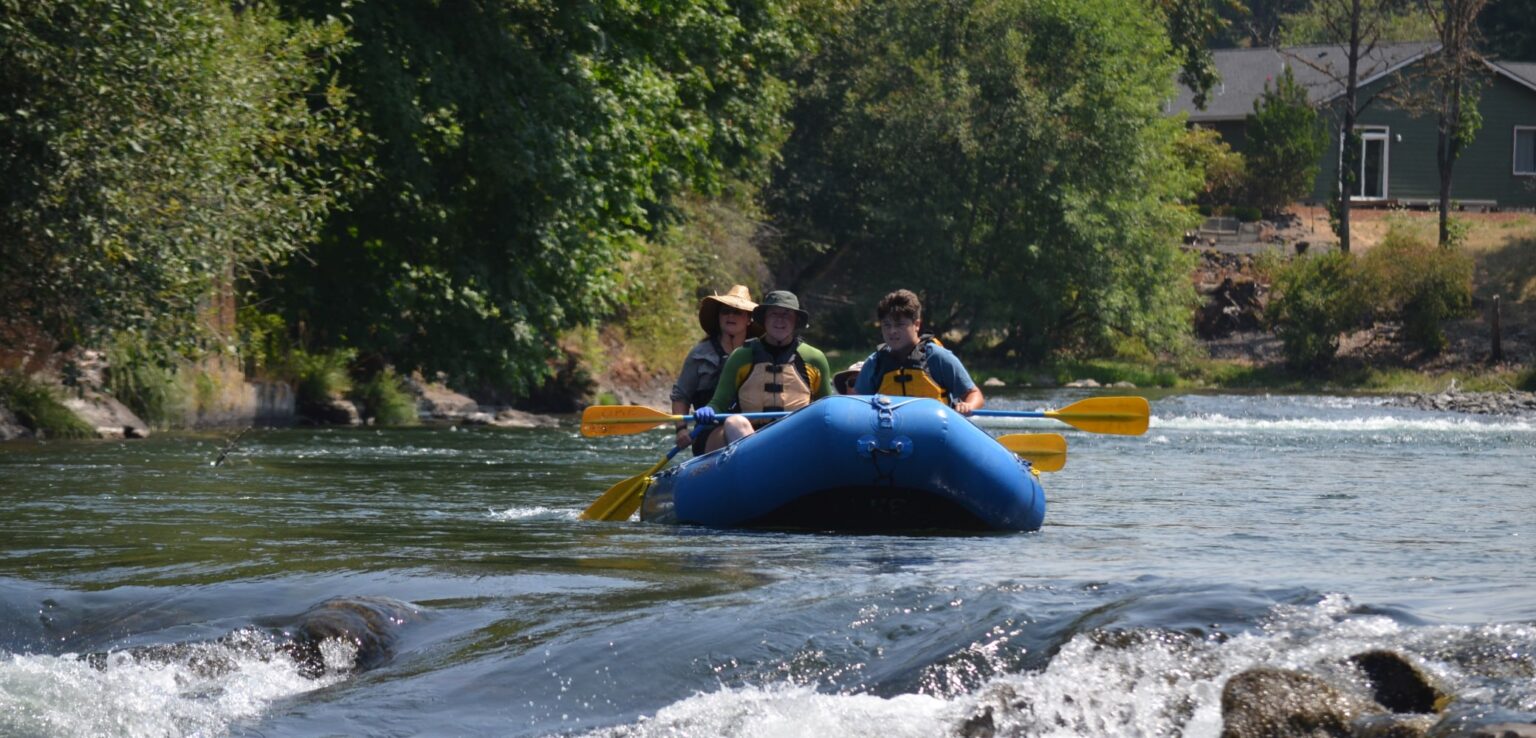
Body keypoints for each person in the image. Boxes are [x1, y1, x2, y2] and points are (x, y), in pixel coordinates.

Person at [695, 290, 833, 452]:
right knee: (734, 422)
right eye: (774, 314)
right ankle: (755, 459)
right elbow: (719, 402)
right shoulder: (741, 356)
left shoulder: (814, 358)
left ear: (796, 321)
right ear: (765, 319)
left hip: (794, 438)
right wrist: (710, 410)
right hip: (746, 435)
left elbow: (827, 410)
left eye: (787, 315)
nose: (780, 320)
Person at [851, 289, 984, 415]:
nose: (892, 331)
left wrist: (968, 406)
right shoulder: (875, 363)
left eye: (899, 324)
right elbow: (856, 405)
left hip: (934, 433)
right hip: (891, 434)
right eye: (887, 325)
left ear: (917, 325)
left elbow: (974, 394)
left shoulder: (937, 357)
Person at [670, 285, 763, 455]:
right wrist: (681, 430)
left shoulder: (760, 353)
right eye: (725, 311)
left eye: (737, 312)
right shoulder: (700, 353)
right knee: (736, 425)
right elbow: (681, 396)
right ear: (718, 317)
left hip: (755, 428)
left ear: (749, 319)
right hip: (710, 432)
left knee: (744, 426)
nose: (730, 316)